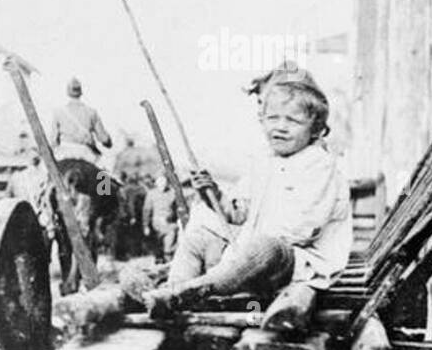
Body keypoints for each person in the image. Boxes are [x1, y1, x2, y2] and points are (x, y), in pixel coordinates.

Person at [143, 65, 351, 317]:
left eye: (293, 120)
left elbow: (304, 230)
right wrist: (214, 195)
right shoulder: (264, 161)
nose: (281, 127)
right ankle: (174, 291)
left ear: (315, 128)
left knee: (265, 247)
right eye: (273, 118)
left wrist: (242, 253)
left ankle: (198, 289)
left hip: (295, 262)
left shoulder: (318, 164)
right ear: (262, 121)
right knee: (198, 236)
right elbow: (238, 212)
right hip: (251, 259)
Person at [51, 77, 113, 164]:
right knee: (106, 175)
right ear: (80, 92)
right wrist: (108, 141)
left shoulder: (58, 113)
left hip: (63, 155)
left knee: (45, 175)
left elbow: (54, 141)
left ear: (68, 92)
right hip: (86, 155)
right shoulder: (91, 112)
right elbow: (103, 139)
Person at [141, 175, 180, 263]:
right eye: (160, 184)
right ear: (156, 184)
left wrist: (177, 219)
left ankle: (168, 259)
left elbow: (177, 208)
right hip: (156, 223)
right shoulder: (151, 194)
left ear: (167, 184)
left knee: (169, 244)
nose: (162, 186)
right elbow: (147, 210)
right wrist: (145, 225)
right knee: (158, 245)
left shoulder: (172, 193)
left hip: (169, 223)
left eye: (164, 184)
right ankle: (159, 259)